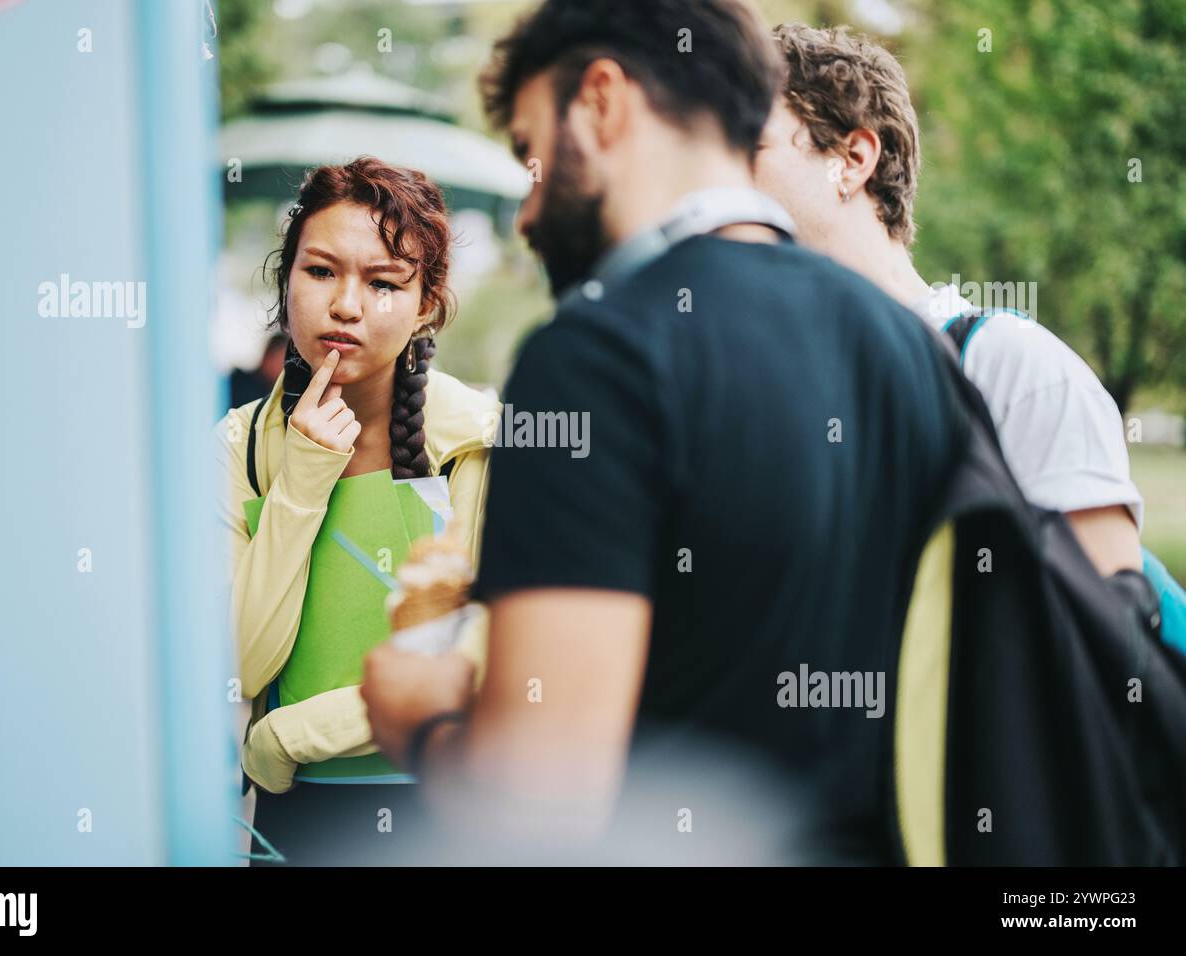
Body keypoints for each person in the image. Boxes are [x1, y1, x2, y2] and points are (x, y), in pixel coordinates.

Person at [360, 0, 967, 863]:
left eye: (533, 156)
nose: (528, 217)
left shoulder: (591, 358)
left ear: (601, 100)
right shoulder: (912, 348)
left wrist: (418, 716)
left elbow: (538, 801)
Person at [749, 23, 1145, 579]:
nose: (719, 178)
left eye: (750, 145)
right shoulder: (766, 386)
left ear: (853, 158)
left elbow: (1107, 634)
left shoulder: (1018, 371)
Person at [214, 157, 499, 865]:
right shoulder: (240, 443)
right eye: (320, 272)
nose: (346, 305)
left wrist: (290, 736)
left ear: (427, 303)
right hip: (294, 824)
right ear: (286, 281)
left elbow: (479, 661)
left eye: (383, 283)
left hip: (452, 813)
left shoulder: (479, 439)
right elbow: (240, 664)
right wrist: (303, 481)